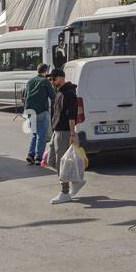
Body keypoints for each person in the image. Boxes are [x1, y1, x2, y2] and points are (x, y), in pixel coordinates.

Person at [47, 67, 81, 204]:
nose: (51, 81)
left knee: (61, 162)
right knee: (51, 160)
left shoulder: (69, 93)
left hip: (65, 132)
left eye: (53, 79)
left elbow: (71, 116)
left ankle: (65, 192)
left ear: (61, 78)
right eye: (50, 79)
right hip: (57, 131)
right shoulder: (59, 92)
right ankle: (75, 179)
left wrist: (72, 133)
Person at [23, 64, 52, 165]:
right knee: (41, 134)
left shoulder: (31, 81)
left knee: (35, 134)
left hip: (30, 110)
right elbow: (53, 96)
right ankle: (38, 157)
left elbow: (25, 95)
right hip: (41, 110)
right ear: (46, 71)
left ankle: (30, 154)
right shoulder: (45, 81)